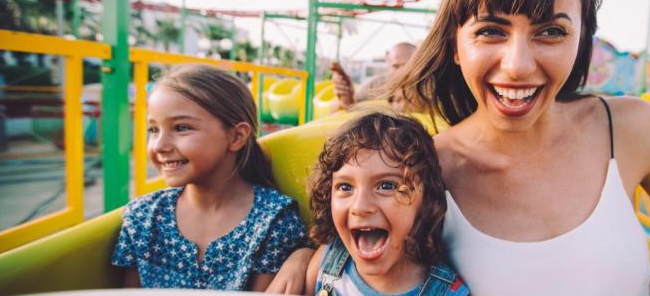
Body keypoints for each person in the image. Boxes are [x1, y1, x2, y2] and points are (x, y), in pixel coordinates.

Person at [273, 0, 650, 294]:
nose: (518, 65)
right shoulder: (422, 170)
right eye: (491, 32)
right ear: (456, 46)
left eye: (550, 32)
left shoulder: (628, 129)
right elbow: (360, 242)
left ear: (581, 38)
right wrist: (303, 256)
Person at [112, 64, 309, 290]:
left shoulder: (273, 220)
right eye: (154, 130)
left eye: (181, 127)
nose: (160, 145)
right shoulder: (142, 217)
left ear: (236, 136)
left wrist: (303, 255)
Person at [304, 113, 468, 296]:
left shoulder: (446, 292)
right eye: (345, 187)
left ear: (426, 199)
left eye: (386, 186)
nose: (360, 207)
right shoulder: (328, 259)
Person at [331, 42, 417, 111]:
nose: (402, 72)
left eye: (408, 66)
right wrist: (347, 101)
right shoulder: (375, 85)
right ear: (389, 65)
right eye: (396, 66)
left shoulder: (427, 88)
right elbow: (334, 110)